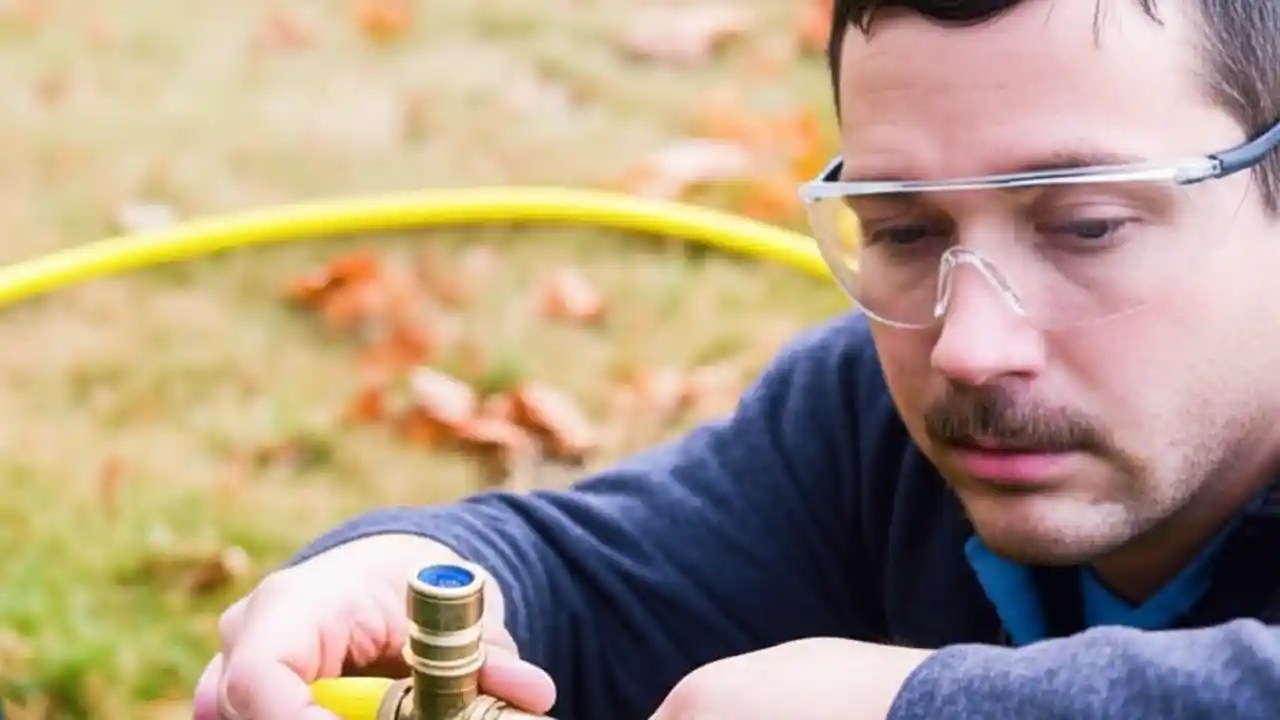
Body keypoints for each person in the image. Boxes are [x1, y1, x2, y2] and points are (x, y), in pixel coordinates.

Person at [194, 0, 1280, 718]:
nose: (969, 349)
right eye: (902, 231)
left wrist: (916, 705)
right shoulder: (862, 420)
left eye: (1085, 227)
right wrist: (401, 579)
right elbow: (611, 582)